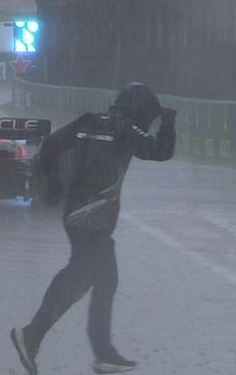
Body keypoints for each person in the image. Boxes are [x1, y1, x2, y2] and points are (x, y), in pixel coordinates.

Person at [11, 83, 176, 375]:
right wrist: (169, 122)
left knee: (97, 278)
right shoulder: (125, 128)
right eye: (148, 116)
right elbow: (160, 151)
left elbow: (49, 146)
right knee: (82, 276)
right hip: (95, 217)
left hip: (74, 213)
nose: (148, 122)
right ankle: (36, 335)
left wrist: (52, 188)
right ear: (138, 111)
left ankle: (96, 351)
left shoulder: (87, 121)